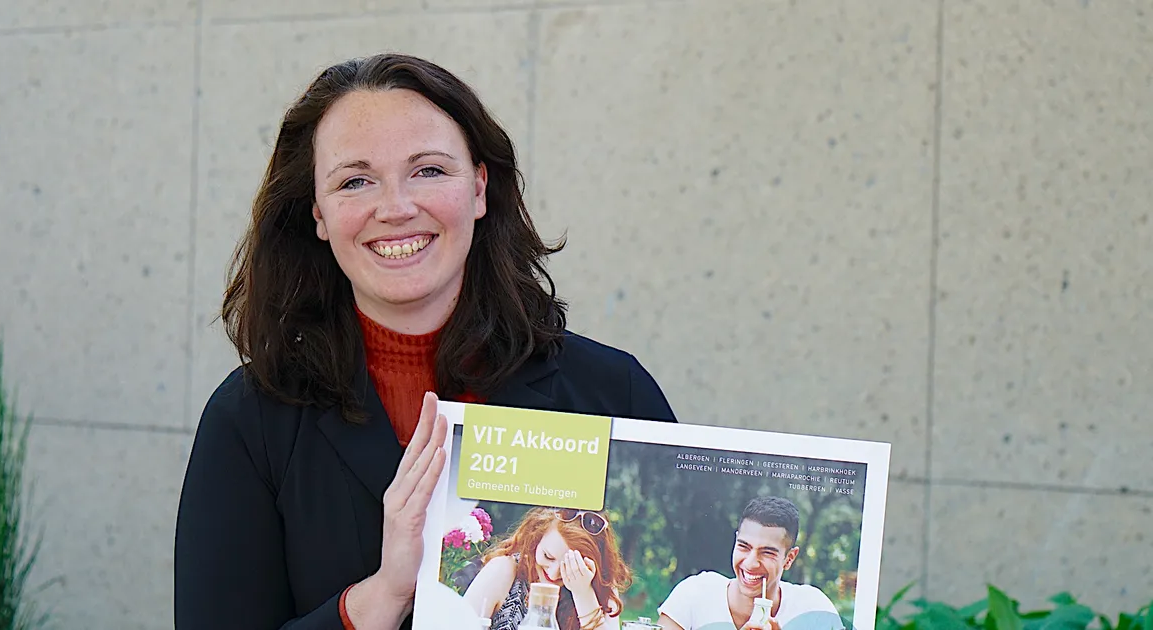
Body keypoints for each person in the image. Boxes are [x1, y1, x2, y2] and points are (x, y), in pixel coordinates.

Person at [173, 53, 677, 630]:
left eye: (429, 171)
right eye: (355, 181)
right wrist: (380, 598)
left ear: (480, 188)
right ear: (318, 213)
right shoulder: (250, 420)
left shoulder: (613, 393)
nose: (396, 208)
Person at [656, 497, 842, 630]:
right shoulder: (694, 594)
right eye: (744, 546)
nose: (751, 563)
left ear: (789, 558)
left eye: (767, 552)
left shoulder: (813, 610)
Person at [463, 508, 632, 630]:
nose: (553, 573)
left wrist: (583, 594)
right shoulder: (505, 570)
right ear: (536, 537)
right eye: (548, 557)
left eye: (569, 566)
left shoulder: (601, 588)